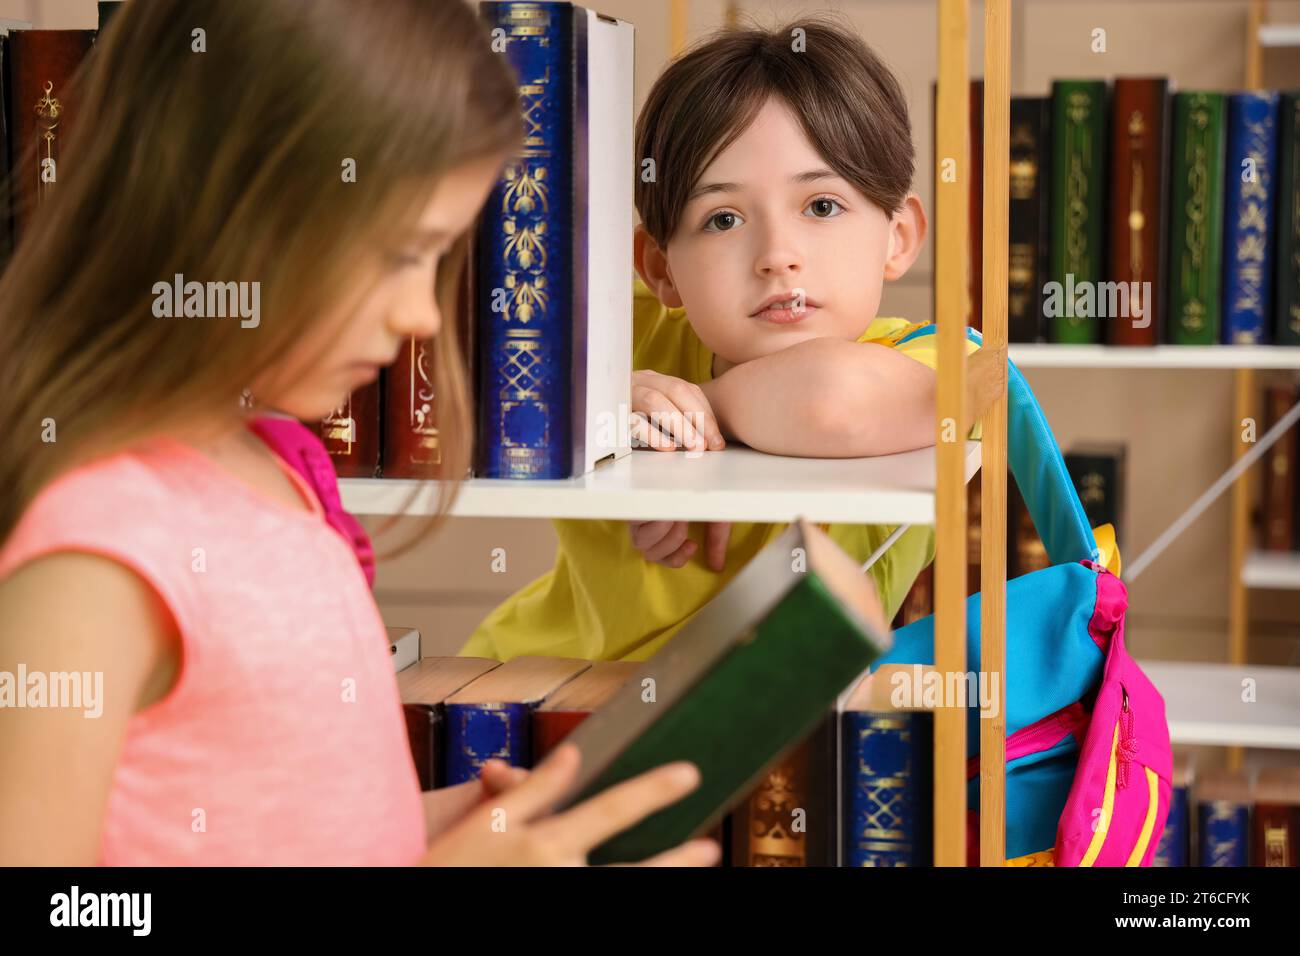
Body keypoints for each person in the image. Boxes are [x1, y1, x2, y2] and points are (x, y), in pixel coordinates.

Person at [0, 0, 716, 868]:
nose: (419, 314)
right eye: (397, 255)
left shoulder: (279, 475)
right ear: (229, 211)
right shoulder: (96, 558)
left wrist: (444, 826)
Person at [462, 17, 993, 664]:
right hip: (526, 681)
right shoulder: (614, 330)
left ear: (899, 236)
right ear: (660, 268)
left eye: (822, 206)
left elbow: (835, 400)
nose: (777, 255)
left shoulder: (938, 358)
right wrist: (604, 400)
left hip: (759, 722)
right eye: (723, 219)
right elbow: (441, 372)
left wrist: (693, 411)